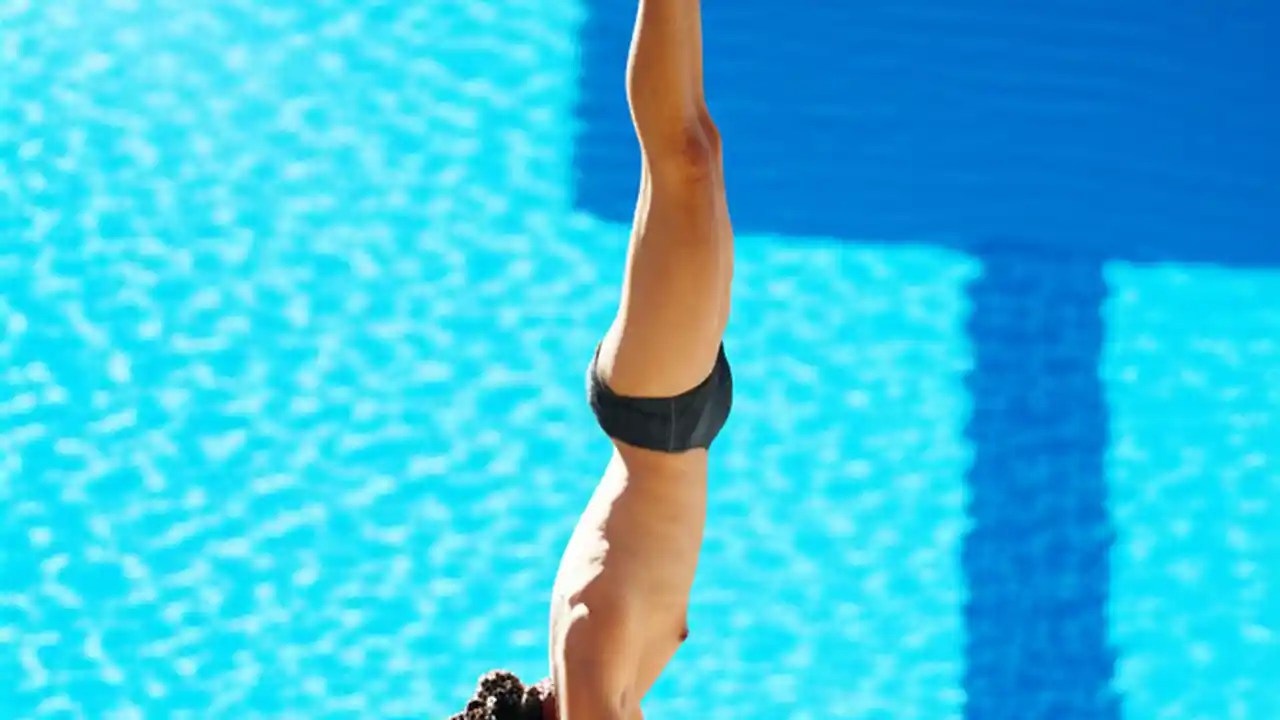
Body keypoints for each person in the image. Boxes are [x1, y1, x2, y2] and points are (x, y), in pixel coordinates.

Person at [452, 0, 733, 716]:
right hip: (674, 415)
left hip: (655, 408)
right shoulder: (598, 685)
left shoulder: (583, 664)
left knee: (683, 161)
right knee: (695, 150)